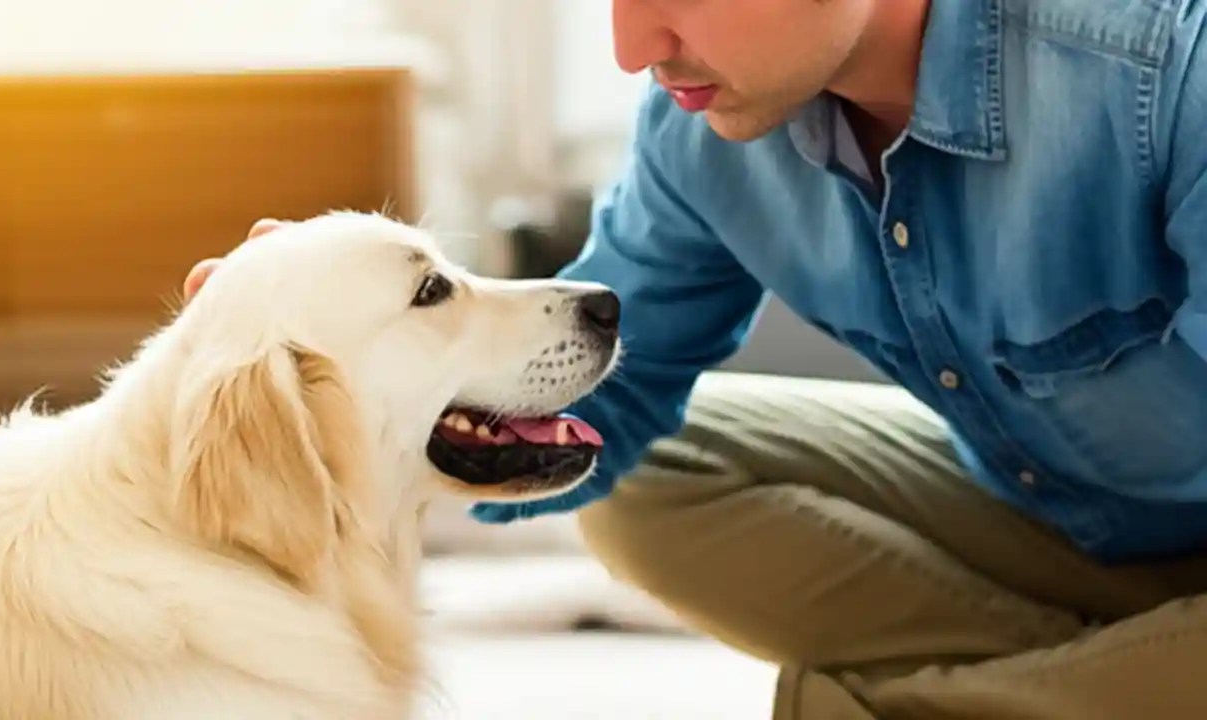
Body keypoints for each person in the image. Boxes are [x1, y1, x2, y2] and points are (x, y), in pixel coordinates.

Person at [184, 1, 1207, 717]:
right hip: (1056, 510)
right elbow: (570, 387)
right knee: (629, 473)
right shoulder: (702, 131)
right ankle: (1115, 678)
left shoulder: (1163, 74)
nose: (635, 46)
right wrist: (329, 344)